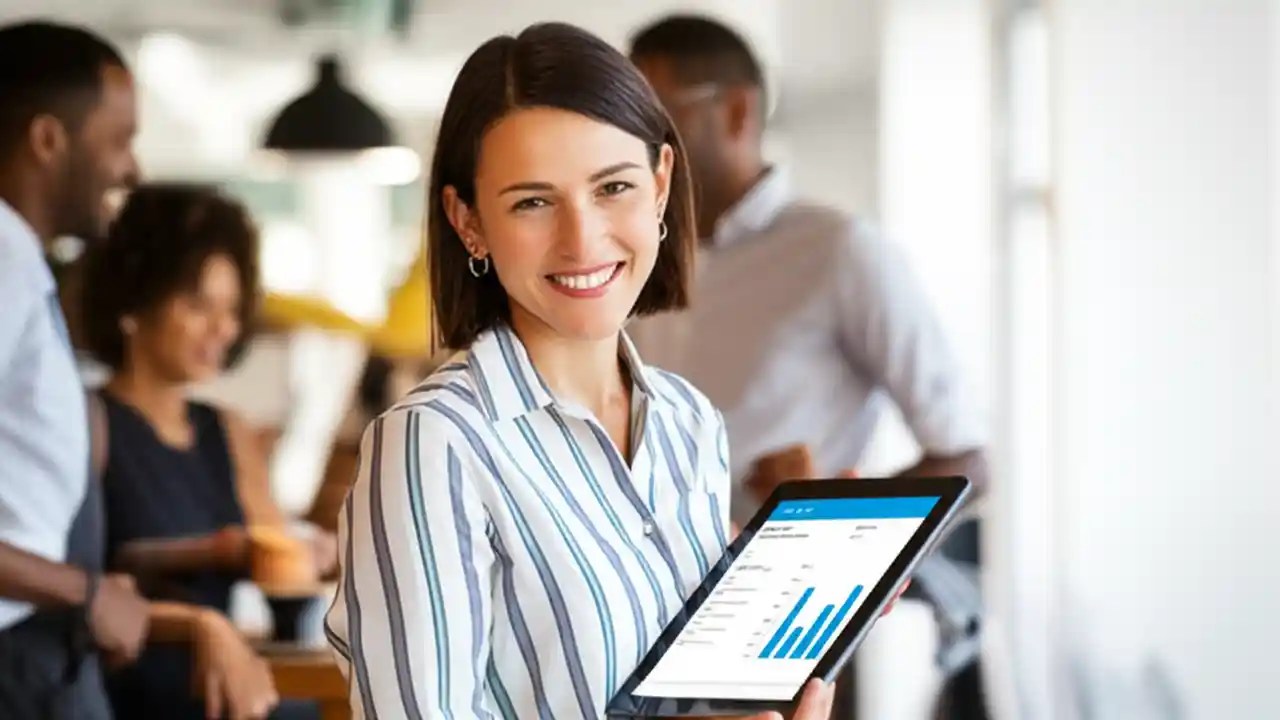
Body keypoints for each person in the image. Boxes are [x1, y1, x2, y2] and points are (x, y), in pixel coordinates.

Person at [326, 22, 834, 720]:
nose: (582, 238)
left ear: (659, 185)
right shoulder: (431, 443)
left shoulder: (689, 424)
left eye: (613, 187)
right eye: (533, 202)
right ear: (467, 219)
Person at [627, 15, 992, 720]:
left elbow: (969, 458)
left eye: (653, 115)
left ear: (736, 111)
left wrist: (822, 534)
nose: (635, 143)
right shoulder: (643, 256)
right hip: (648, 612)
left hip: (783, 637)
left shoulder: (840, 252)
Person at [79, 183, 338, 719]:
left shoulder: (227, 431)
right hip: (127, 692)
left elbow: (279, 561)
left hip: (224, 687)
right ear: (133, 303)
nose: (224, 328)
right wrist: (217, 570)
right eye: (199, 305)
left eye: (232, 308)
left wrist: (318, 552)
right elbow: (88, 580)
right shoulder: (89, 421)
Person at [0, 21, 149, 718]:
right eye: (118, 141)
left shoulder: (23, 266)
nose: (130, 170)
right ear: (48, 140)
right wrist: (84, 592)